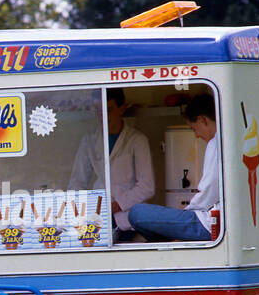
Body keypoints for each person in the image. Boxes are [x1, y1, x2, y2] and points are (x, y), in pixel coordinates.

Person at [126, 94, 220, 242]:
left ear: (202, 120)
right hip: (210, 218)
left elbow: (210, 188)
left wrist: (187, 212)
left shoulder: (216, 142)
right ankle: (173, 240)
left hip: (206, 224)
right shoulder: (226, 140)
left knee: (136, 213)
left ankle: (173, 239)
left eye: (194, 129)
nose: (196, 135)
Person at [68, 88, 155, 237]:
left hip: (129, 218)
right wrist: (79, 211)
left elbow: (147, 187)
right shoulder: (89, 140)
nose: (103, 116)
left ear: (122, 109)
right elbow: (77, 182)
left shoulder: (137, 140)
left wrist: (116, 205)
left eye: (109, 110)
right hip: (97, 217)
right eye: (98, 110)